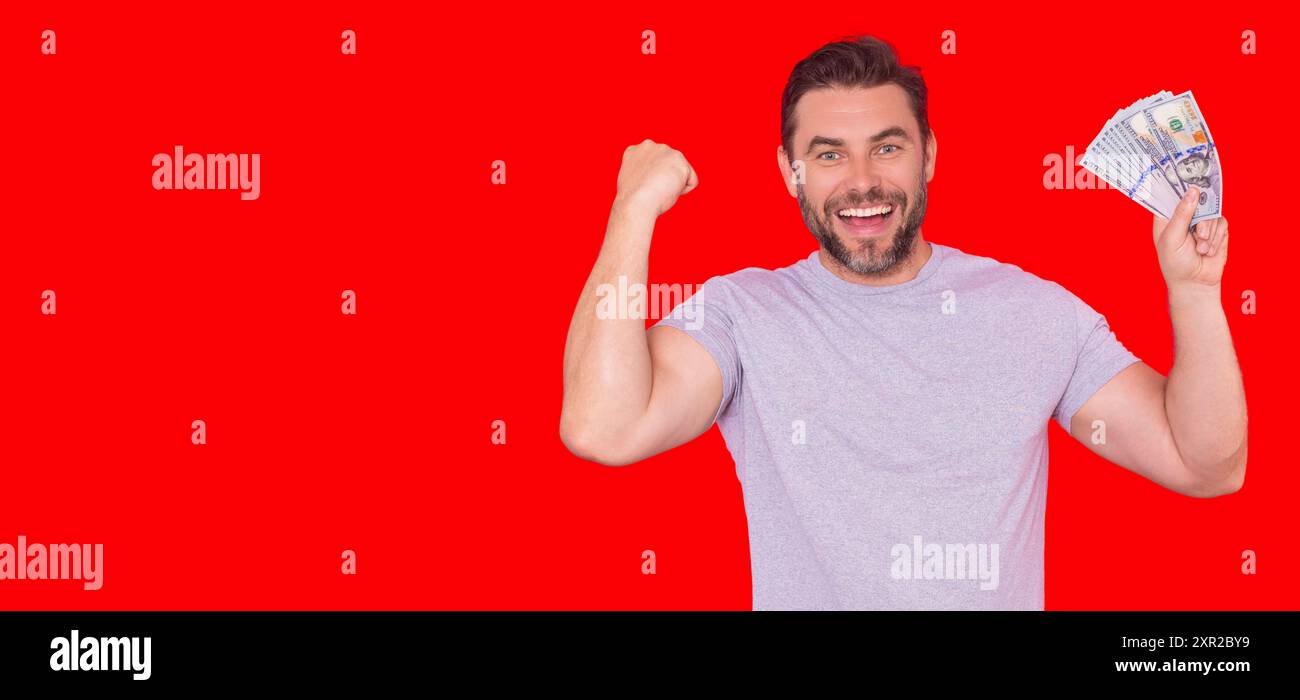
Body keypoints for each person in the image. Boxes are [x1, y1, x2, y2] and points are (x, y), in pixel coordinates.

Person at [559, 35, 1247, 610]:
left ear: (930, 157)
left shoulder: (1031, 312)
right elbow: (603, 427)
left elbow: (1204, 465)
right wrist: (633, 209)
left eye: (887, 148)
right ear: (789, 172)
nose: (862, 181)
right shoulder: (742, 315)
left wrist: (1193, 294)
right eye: (829, 155)